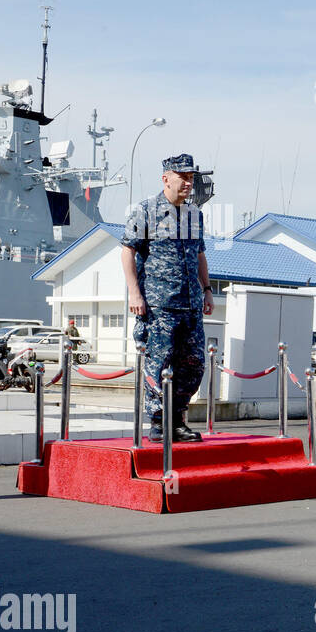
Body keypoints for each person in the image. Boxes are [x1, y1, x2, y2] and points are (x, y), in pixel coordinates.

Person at [121, 154, 214, 442]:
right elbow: (128, 251)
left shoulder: (194, 215)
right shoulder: (145, 211)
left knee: (194, 363)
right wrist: (135, 293)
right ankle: (159, 423)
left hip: (190, 305)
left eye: (191, 177)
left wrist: (207, 288)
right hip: (160, 305)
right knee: (158, 364)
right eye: (183, 177)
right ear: (166, 178)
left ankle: (177, 419)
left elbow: (199, 254)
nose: (188, 182)